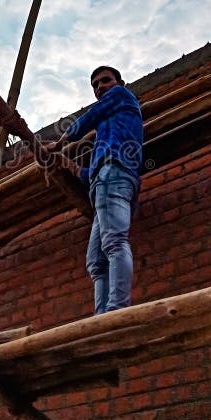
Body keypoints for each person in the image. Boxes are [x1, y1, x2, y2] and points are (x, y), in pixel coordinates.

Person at [46, 66, 143, 314]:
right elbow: (88, 175)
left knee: (114, 242)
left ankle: (116, 311)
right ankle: (101, 317)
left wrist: (59, 143)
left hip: (115, 174)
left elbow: (86, 119)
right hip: (103, 181)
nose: (100, 87)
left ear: (120, 82)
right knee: (97, 262)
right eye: (95, 85)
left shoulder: (121, 95)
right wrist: (65, 163)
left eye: (105, 81)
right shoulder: (110, 126)